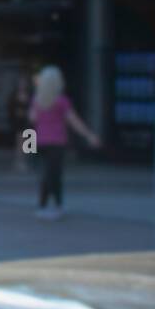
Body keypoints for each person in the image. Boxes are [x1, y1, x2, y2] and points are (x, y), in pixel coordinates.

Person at [29, 65, 101, 220]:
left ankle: (46, 205)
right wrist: (89, 135)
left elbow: (32, 120)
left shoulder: (36, 100)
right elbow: (74, 122)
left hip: (40, 141)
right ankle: (54, 205)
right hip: (57, 141)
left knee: (46, 173)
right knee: (55, 174)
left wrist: (28, 146)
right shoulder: (62, 101)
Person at [7, 74, 32, 173]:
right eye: (20, 83)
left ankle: (28, 161)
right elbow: (10, 108)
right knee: (20, 142)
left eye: (24, 83)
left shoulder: (30, 94)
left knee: (29, 143)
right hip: (18, 121)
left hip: (28, 121)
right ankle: (19, 161)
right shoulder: (13, 95)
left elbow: (33, 107)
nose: (22, 85)